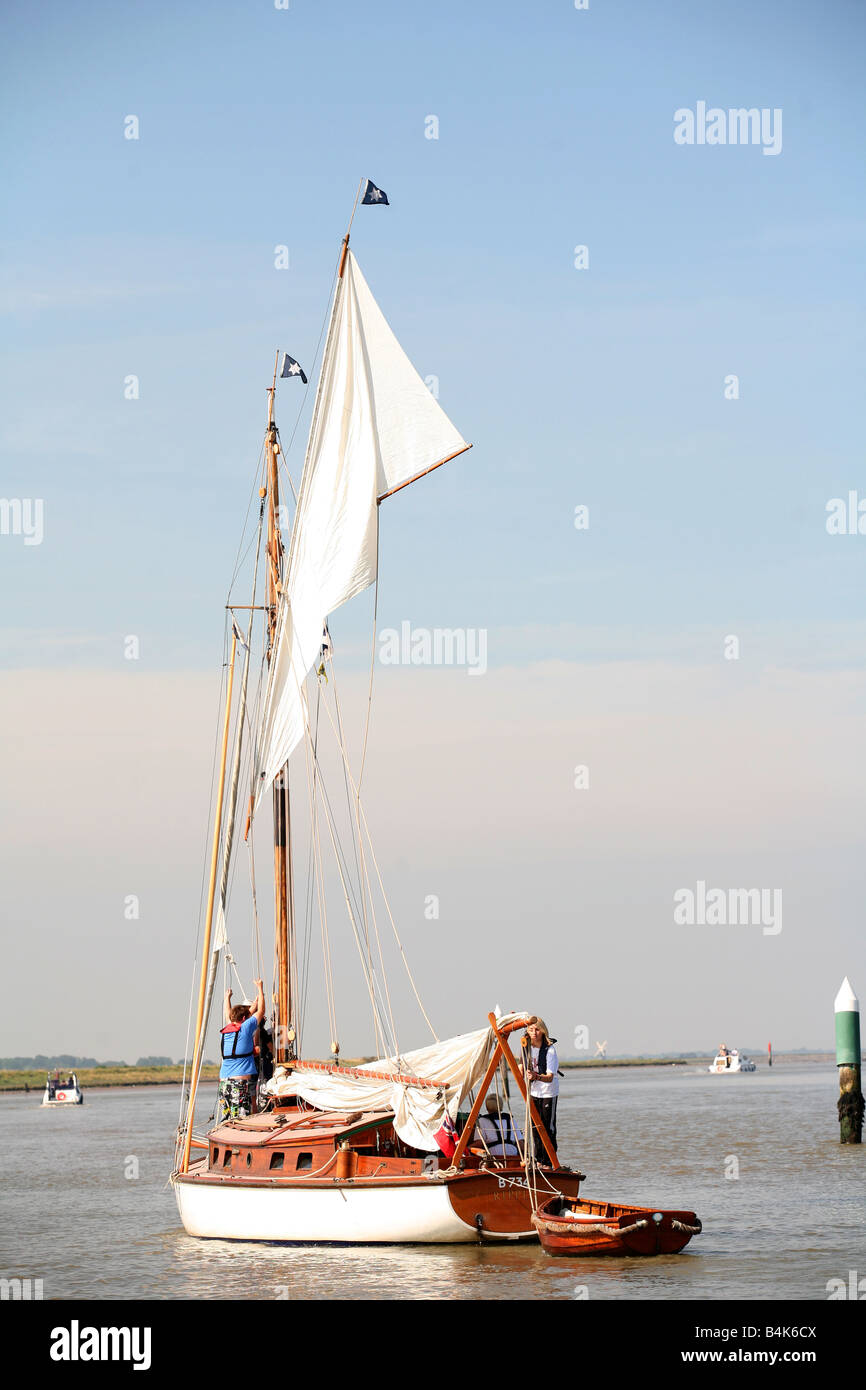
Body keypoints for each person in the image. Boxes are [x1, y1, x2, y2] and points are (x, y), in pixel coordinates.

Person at [218, 979, 265, 1123]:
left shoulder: (227, 1029)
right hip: (239, 1084)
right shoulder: (245, 1028)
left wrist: (227, 998)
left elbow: (228, 1014)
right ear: (245, 1019)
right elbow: (261, 1011)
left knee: (227, 1120)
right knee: (241, 1121)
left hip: (224, 1083)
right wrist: (260, 988)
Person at [523, 1018, 560, 1162]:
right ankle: (539, 1160)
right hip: (534, 1092)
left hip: (548, 1092)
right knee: (535, 1127)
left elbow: (550, 1077)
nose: (534, 1033)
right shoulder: (526, 1047)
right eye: (531, 1029)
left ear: (543, 1031)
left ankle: (550, 1161)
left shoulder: (550, 1050)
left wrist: (536, 1076)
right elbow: (522, 1065)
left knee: (547, 1127)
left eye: (537, 1029)